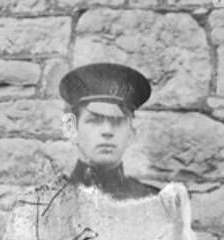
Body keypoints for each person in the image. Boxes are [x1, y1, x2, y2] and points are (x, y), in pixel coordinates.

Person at [58, 61, 158, 199]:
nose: (107, 131)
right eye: (94, 120)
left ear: (131, 133)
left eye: (118, 121)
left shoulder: (152, 202)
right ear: (72, 129)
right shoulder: (46, 203)